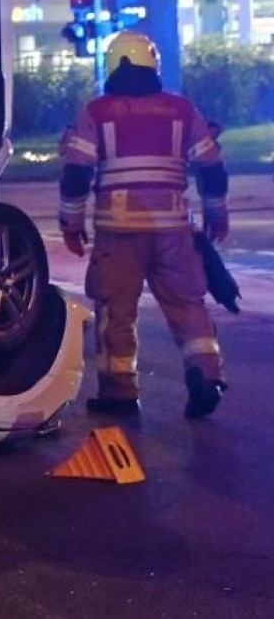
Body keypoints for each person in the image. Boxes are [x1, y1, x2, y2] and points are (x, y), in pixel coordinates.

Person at [57, 31, 229, 419]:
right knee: (188, 305)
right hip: (173, 231)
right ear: (154, 66)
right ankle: (206, 374)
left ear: (112, 66)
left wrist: (70, 221)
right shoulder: (182, 111)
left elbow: (76, 175)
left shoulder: (96, 113)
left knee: (116, 310)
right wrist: (217, 213)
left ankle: (120, 392)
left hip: (117, 233)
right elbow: (212, 169)